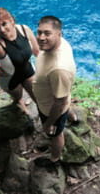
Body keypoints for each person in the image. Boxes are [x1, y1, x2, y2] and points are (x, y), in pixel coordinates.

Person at [32, 15, 76, 168]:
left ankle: (55, 159)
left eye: (47, 33)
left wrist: (49, 123)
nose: (41, 38)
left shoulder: (58, 69)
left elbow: (60, 101)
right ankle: (72, 117)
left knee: (55, 134)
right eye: (39, 32)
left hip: (51, 108)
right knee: (64, 101)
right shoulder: (61, 44)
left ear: (59, 34)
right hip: (56, 94)